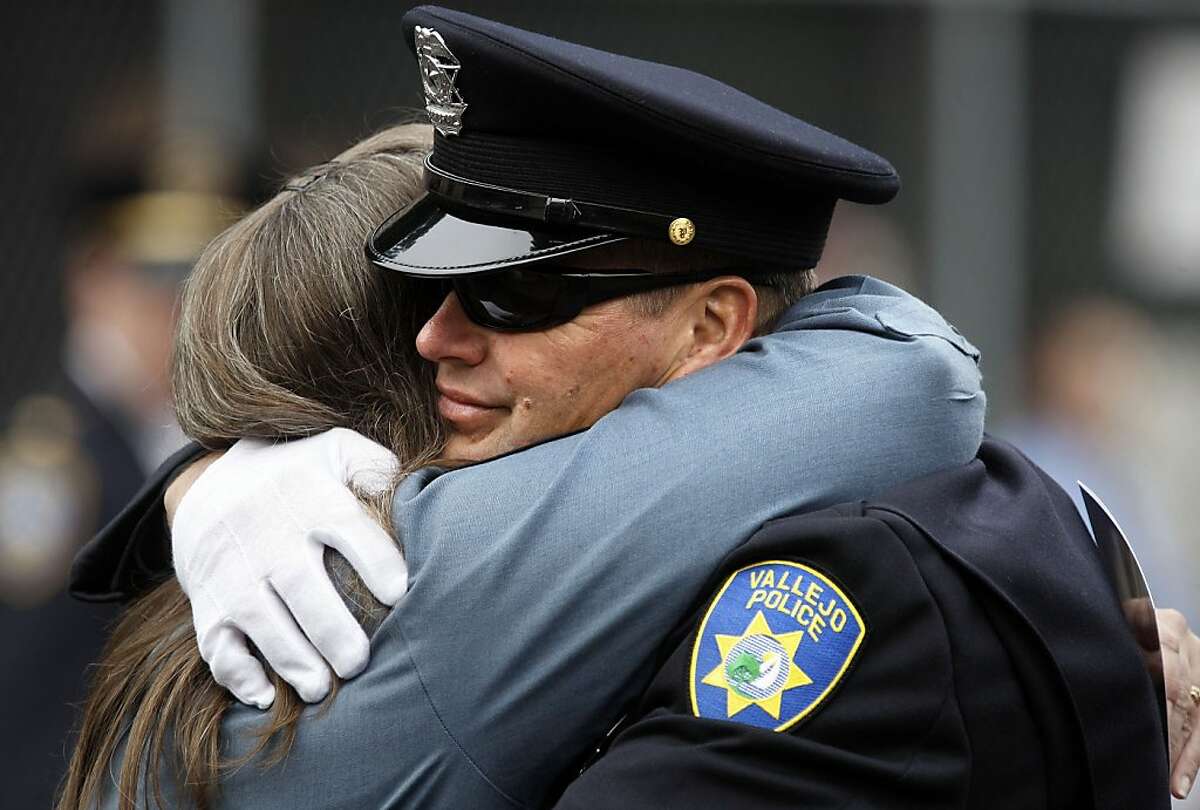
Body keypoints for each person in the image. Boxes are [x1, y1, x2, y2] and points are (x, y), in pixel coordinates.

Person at [68, 5, 1199, 807]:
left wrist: (204, 476)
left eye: (513, 291)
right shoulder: (408, 571)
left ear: (714, 327)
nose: (437, 336)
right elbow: (915, 365)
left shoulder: (842, 578)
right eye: (428, 291)